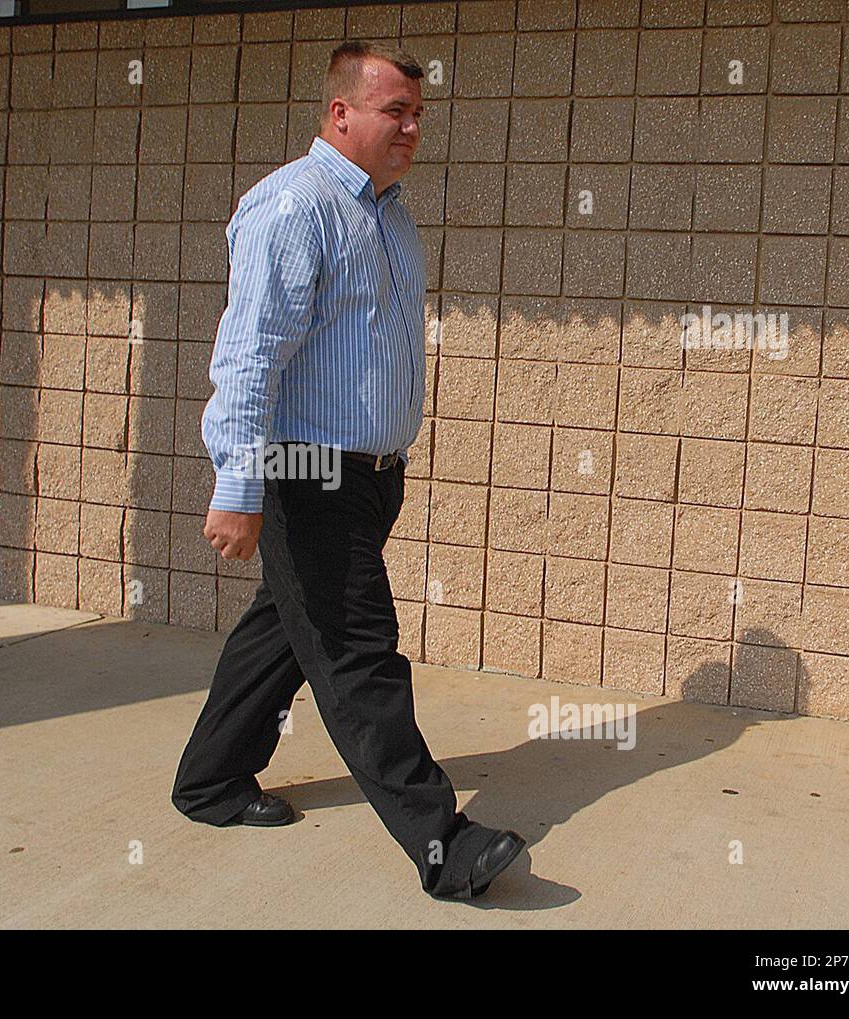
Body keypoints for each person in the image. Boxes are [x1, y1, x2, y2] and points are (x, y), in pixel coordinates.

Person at [170, 40, 525, 900]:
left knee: (290, 630)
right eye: (392, 110)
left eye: (416, 113)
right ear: (340, 113)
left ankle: (210, 779)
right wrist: (238, 483)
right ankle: (442, 841)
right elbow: (249, 358)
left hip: (371, 474)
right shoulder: (294, 207)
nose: (409, 127)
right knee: (360, 652)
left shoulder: (391, 213)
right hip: (306, 472)